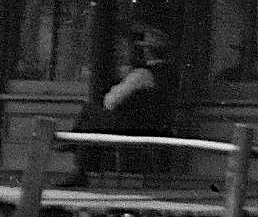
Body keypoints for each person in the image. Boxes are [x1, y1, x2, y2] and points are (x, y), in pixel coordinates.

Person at [56, 24, 176, 188]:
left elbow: (111, 101)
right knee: (92, 123)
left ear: (147, 51)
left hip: (130, 127)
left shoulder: (141, 74)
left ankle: (78, 161)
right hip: (155, 126)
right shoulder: (170, 75)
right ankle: (78, 151)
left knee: (89, 111)